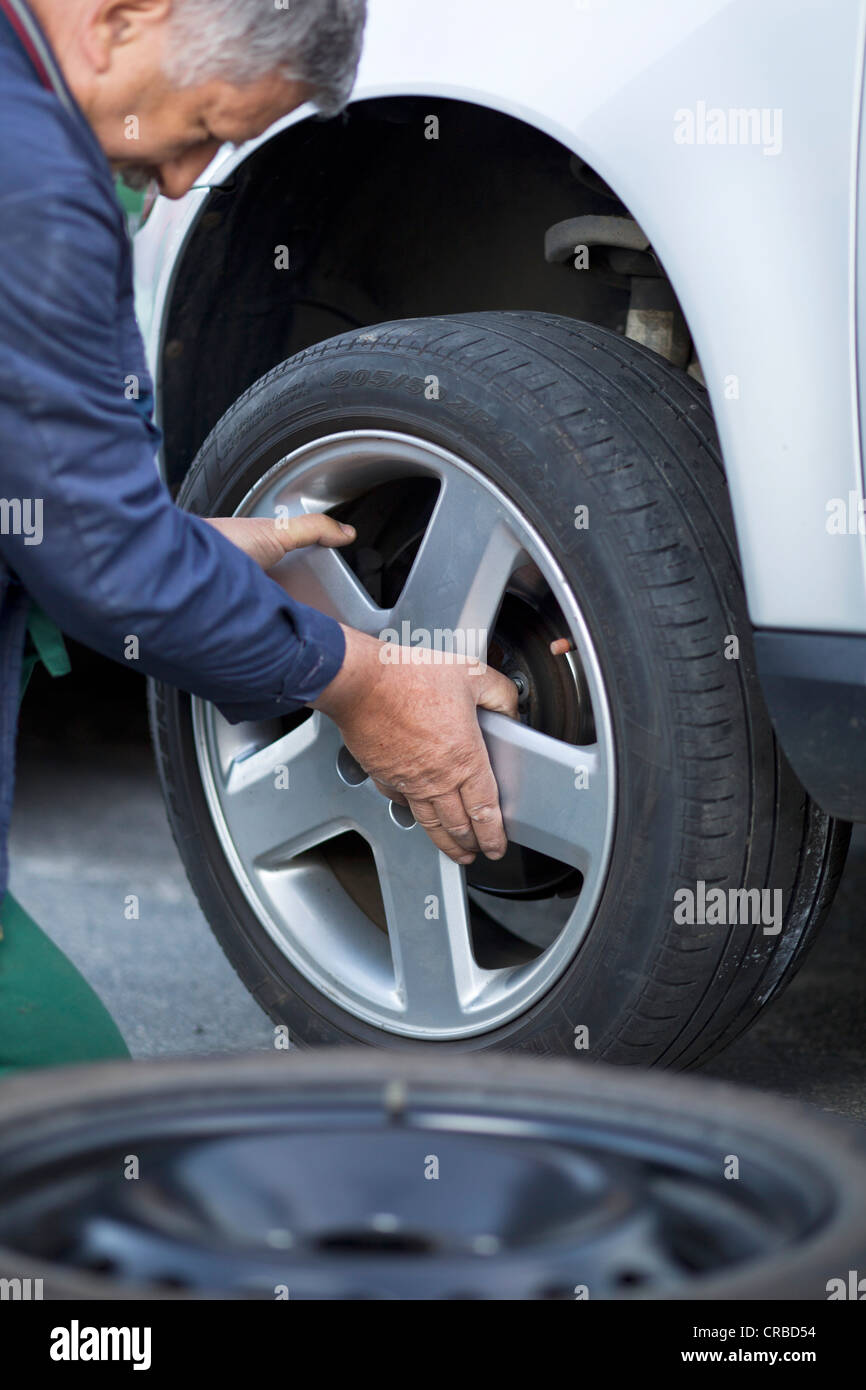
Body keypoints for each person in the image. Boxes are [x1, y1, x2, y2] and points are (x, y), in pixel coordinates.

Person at [0, 0, 517, 1073]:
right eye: (201, 132)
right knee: (58, 1095)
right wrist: (360, 680)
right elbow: (103, 560)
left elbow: (65, 509)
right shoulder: (33, 184)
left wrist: (168, 548)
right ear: (118, 21)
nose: (187, 182)